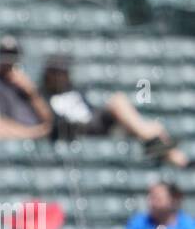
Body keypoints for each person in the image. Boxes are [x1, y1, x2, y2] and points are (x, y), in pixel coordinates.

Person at [42, 55, 188, 168]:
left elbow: (88, 109)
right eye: (57, 72)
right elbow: (49, 123)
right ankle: (156, 144)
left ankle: (177, 160)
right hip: (77, 129)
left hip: (96, 124)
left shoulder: (74, 90)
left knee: (155, 126)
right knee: (118, 101)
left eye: (63, 72)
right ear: (49, 74)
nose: (61, 76)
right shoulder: (44, 97)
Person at [0, 36, 52, 140]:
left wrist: (32, 93)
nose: (9, 60)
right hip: (13, 143)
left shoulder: (27, 84)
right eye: (5, 55)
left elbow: (48, 120)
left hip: (35, 143)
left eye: (12, 55)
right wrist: (34, 133)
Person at [119, 182, 195, 229]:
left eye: (157, 199)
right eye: (151, 198)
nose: (152, 203)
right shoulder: (139, 223)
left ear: (173, 200)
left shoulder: (188, 226)